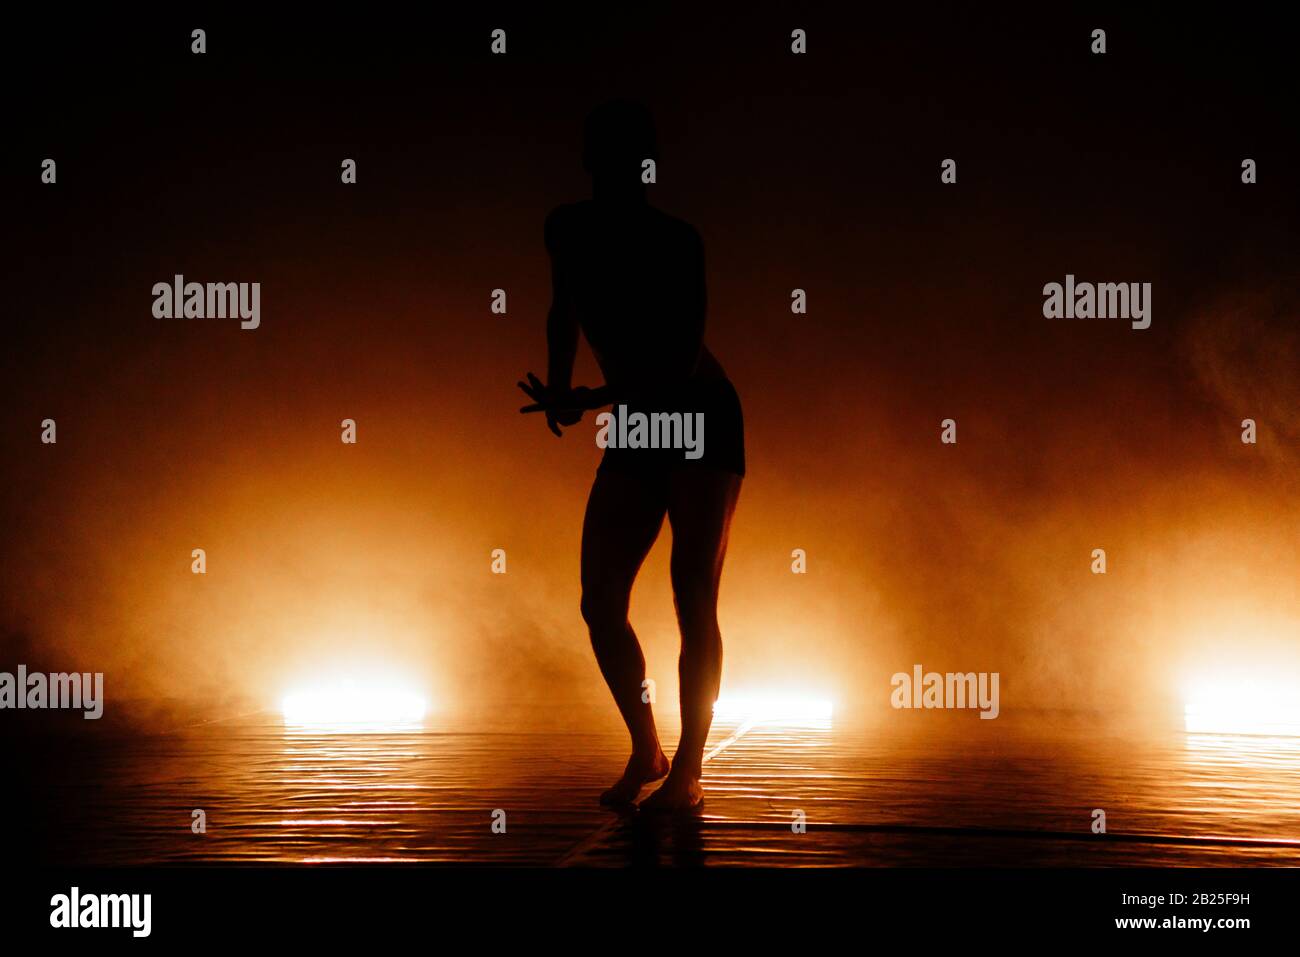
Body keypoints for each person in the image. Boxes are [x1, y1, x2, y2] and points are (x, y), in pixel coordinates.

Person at [518, 100, 745, 811]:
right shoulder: (568, 227)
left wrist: (592, 396)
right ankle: (647, 747)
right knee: (599, 600)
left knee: (691, 593)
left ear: (647, 167)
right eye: (606, 159)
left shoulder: (680, 241)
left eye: (631, 162)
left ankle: (689, 770)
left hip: (699, 414)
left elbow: (680, 361)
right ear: (592, 163)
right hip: (637, 417)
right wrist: (558, 387)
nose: (620, 174)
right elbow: (565, 308)